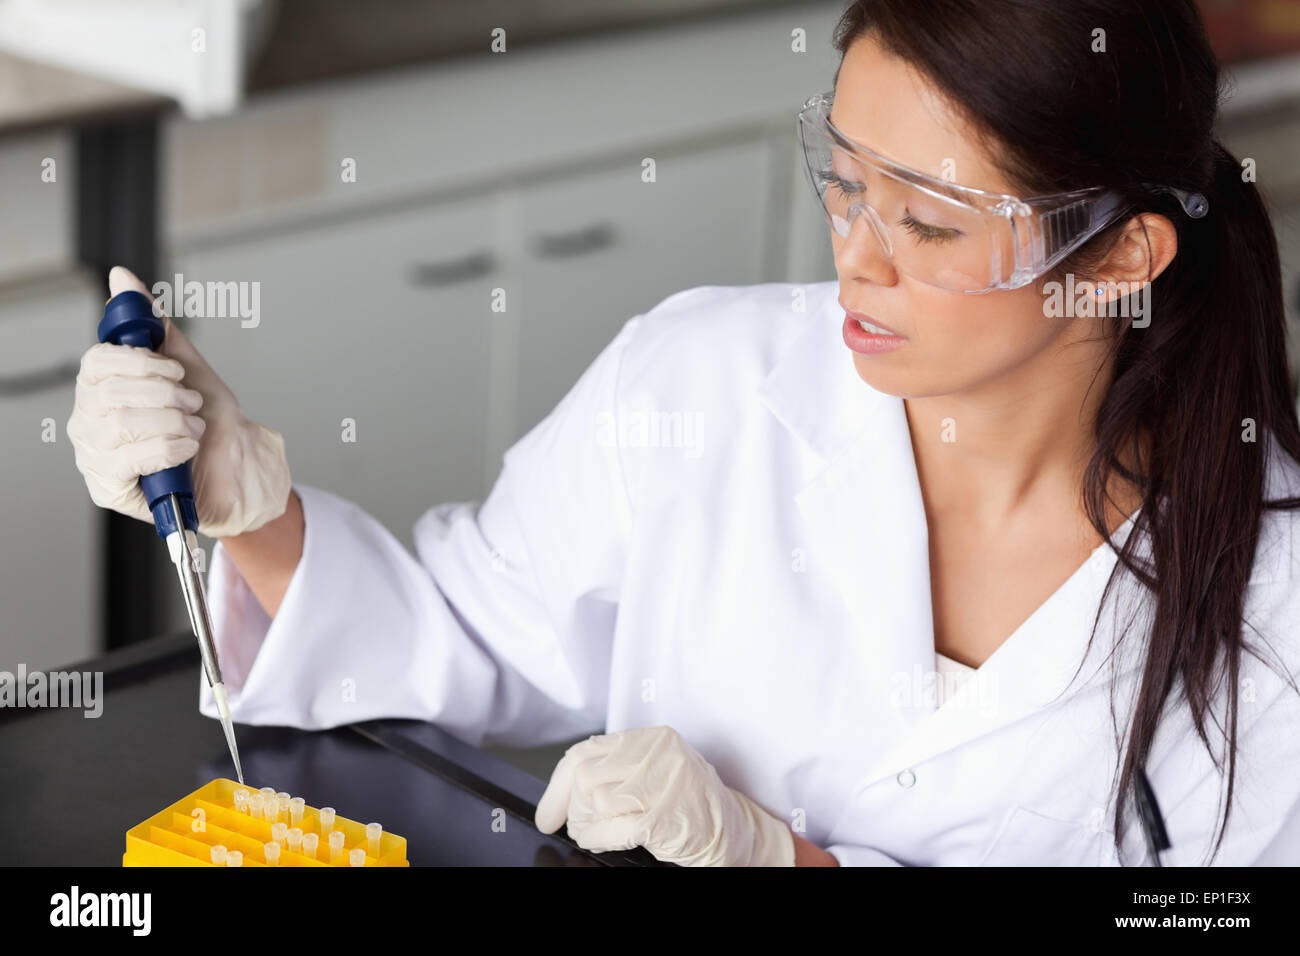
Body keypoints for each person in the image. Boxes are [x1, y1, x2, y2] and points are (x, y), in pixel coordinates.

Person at [68, 0, 1300, 866]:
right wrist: (254, 510)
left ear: (1120, 256)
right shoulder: (705, 378)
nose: (855, 257)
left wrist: (791, 864)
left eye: (927, 221)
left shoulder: (1275, 614)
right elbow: (460, 632)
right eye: (847, 178)